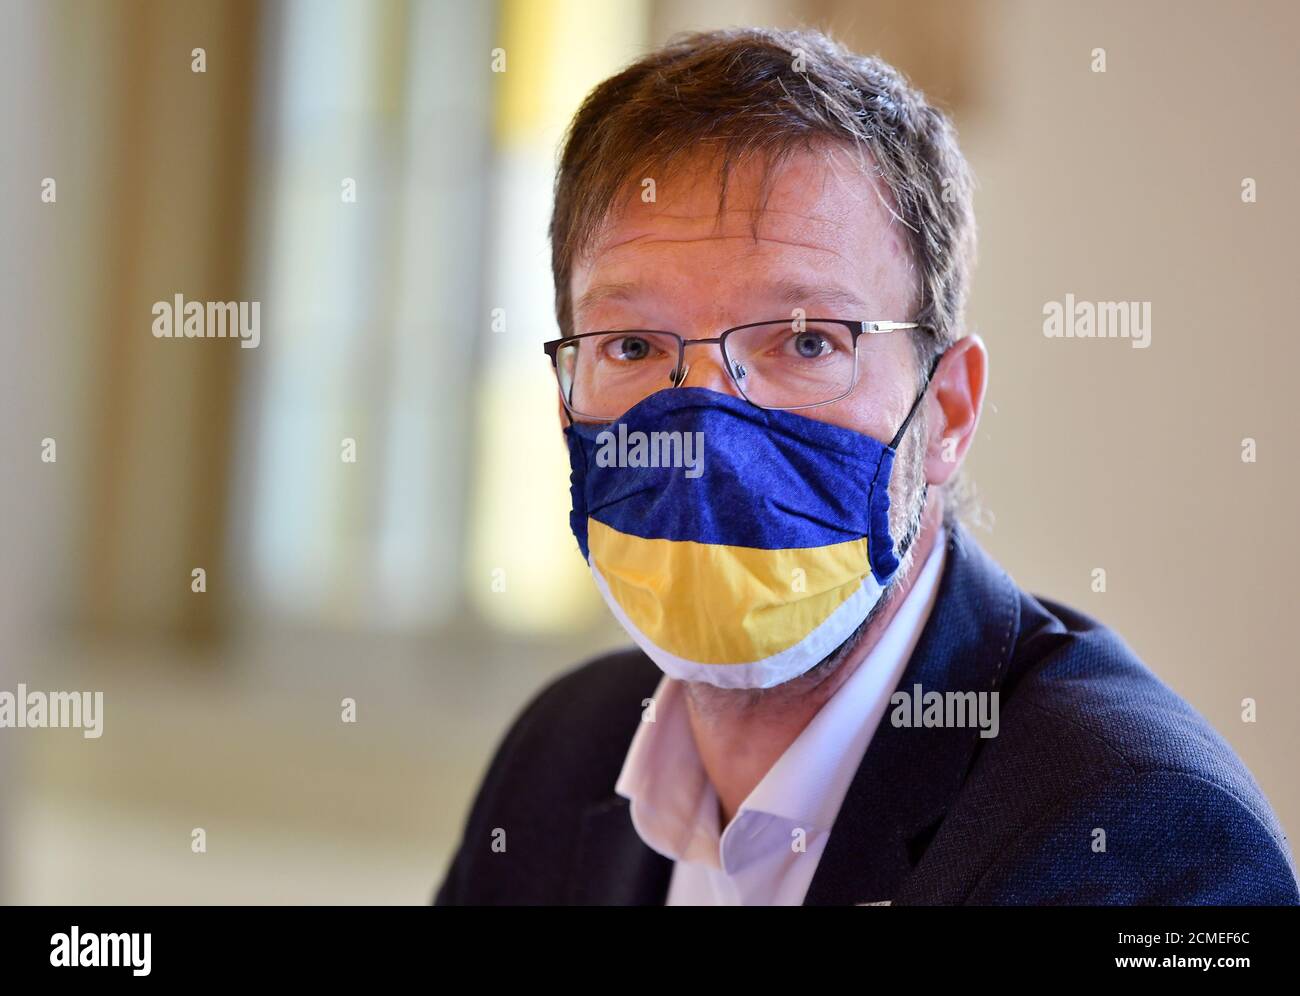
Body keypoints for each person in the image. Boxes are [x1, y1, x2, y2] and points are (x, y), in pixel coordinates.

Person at [434, 26, 1299, 905]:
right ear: (564, 399)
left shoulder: (1139, 839)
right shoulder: (556, 759)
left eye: (807, 341)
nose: (701, 429)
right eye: (630, 344)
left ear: (948, 406)